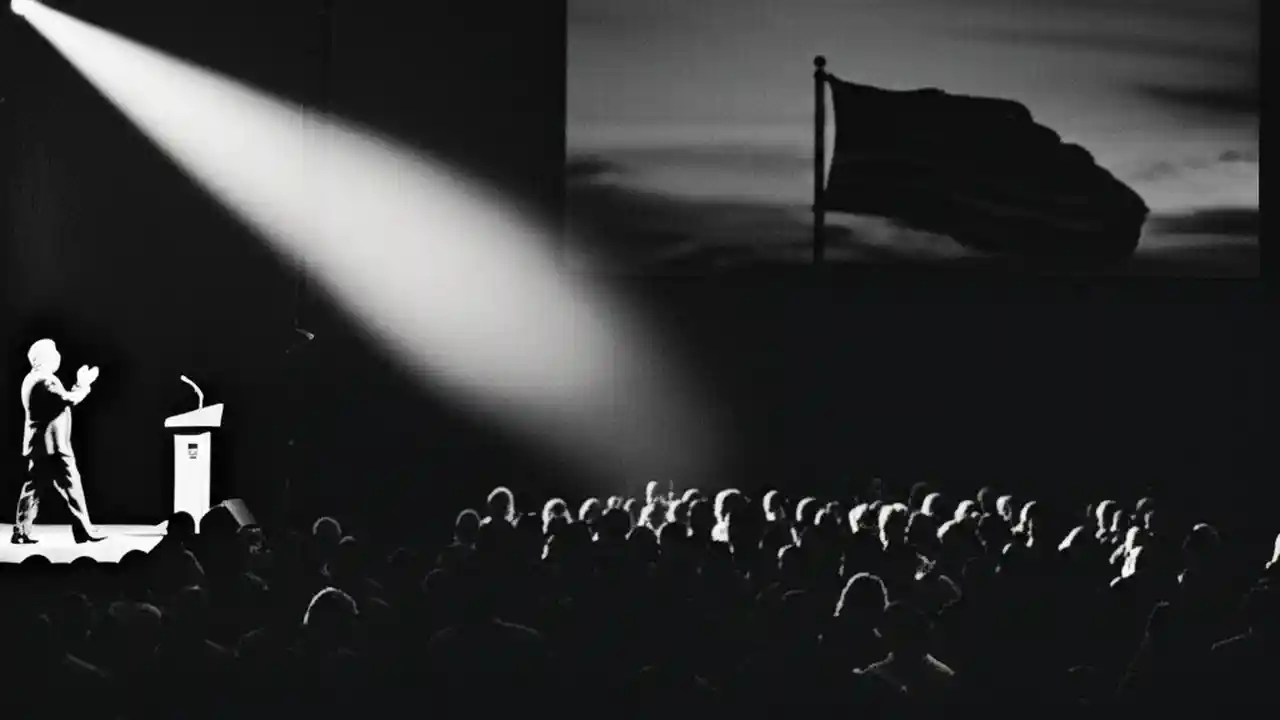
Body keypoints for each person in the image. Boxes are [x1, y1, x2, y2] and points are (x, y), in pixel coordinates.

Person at [12, 338, 105, 544]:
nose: (57, 356)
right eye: (54, 352)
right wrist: (84, 385)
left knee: (33, 487)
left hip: (39, 445)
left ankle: (21, 532)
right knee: (73, 485)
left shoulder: (31, 378)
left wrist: (77, 386)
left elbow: (57, 402)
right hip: (53, 447)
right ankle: (85, 530)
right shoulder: (47, 380)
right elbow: (68, 399)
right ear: (45, 357)